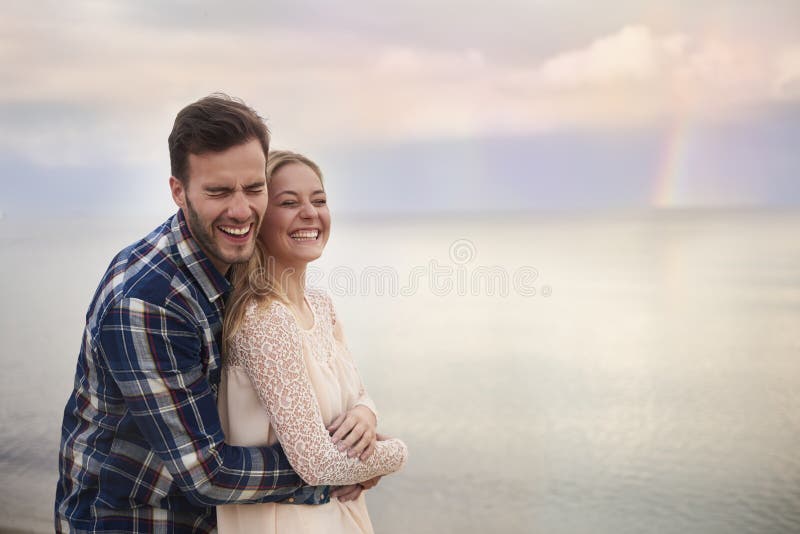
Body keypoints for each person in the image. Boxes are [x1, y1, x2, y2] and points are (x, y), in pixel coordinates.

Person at [54, 95, 329, 533]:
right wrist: (332, 469)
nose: (241, 211)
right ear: (178, 191)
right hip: (135, 520)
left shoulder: (238, 262)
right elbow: (208, 474)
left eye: (254, 189)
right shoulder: (148, 304)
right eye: (218, 191)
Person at [216, 150, 408, 533]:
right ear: (258, 218)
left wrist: (365, 417)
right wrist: (395, 454)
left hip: (337, 516)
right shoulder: (264, 318)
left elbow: (358, 393)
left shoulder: (320, 304)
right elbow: (318, 463)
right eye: (289, 203)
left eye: (319, 200)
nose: (310, 212)